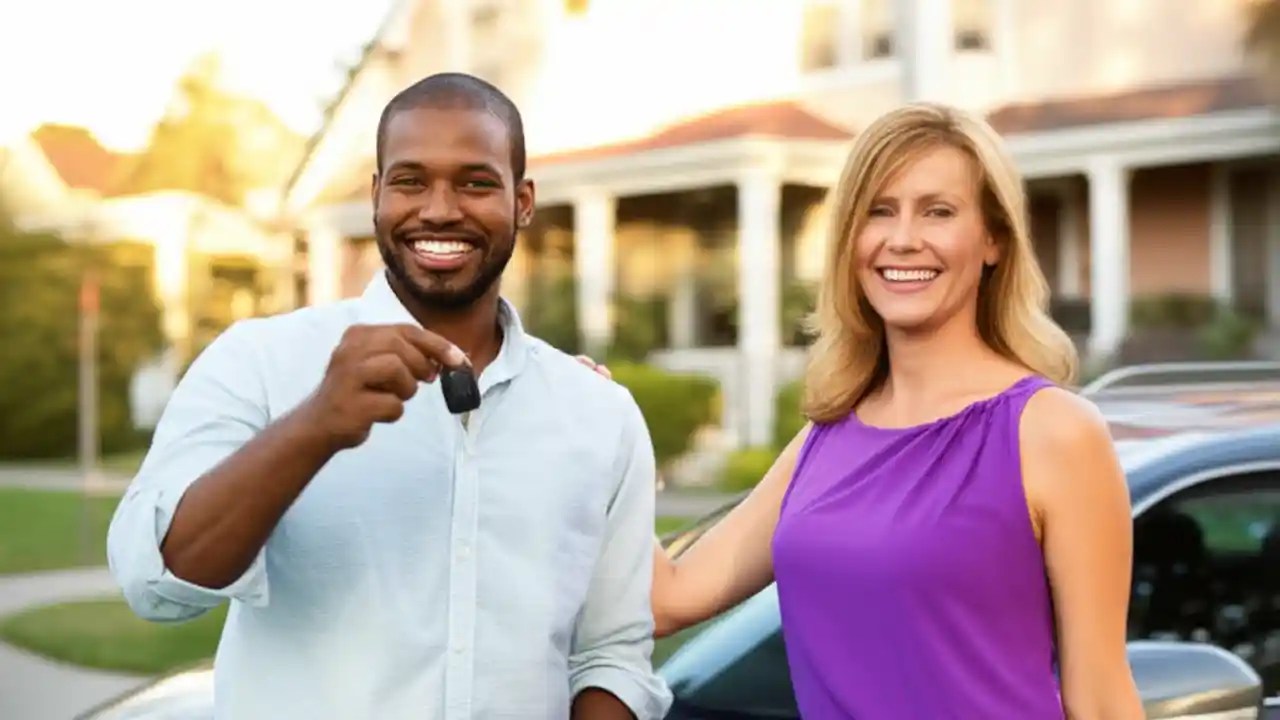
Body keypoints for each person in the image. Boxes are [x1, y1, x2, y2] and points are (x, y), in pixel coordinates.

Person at [106, 72, 671, 720]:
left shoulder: (599, 415)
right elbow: (157, 584)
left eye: (475, 182)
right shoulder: (258, 362)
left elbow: (612, 658)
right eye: (410, 181)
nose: (438, 209)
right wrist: (315, 425)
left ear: (522, 201)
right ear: (376, 196)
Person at [644, 103, 1144, 718]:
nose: (903, 238)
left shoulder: (1052, 432)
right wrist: (589, 423)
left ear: (992, 240)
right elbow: (666, 599)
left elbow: (1100, 696)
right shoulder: (824, 440)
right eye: (879, 210)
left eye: (938, 211)